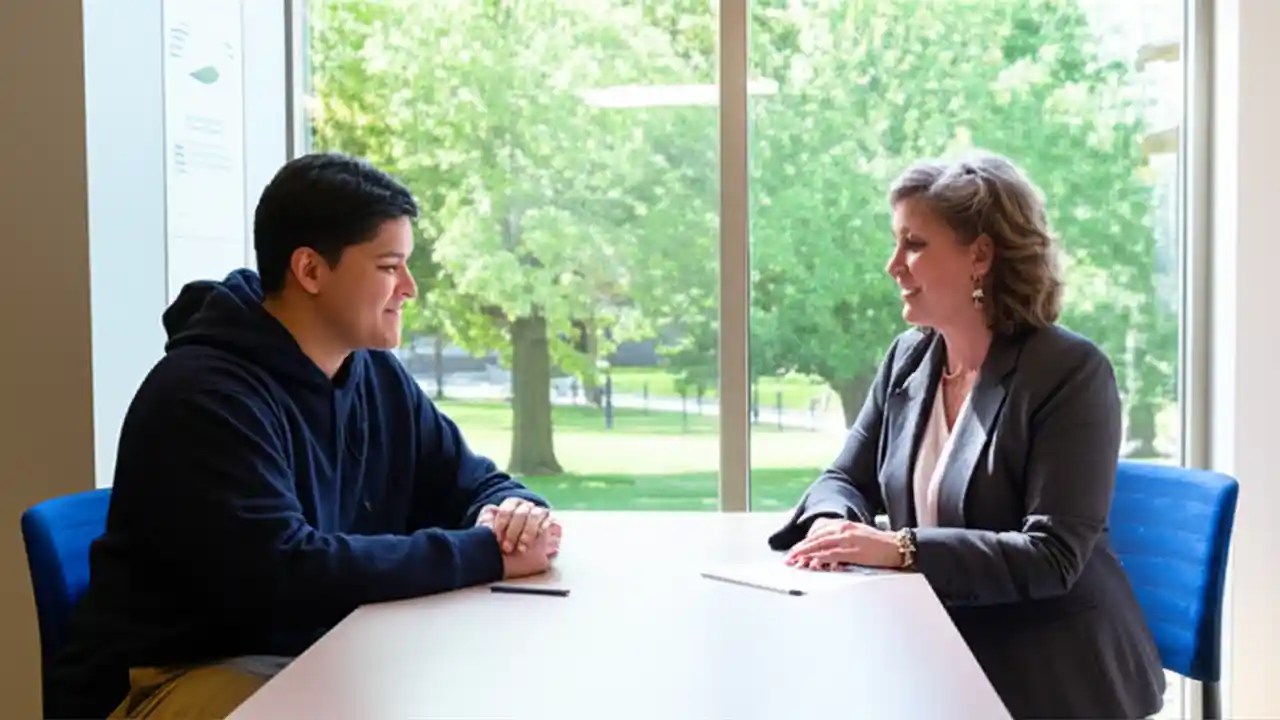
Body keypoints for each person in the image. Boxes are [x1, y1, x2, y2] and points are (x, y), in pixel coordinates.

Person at [48, 153, 562, 719]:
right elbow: (289, 575)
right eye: (389, 267)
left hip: (300, 651)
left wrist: (514, 513)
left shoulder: (371, 372)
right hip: (173, 677)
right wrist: (486, 553)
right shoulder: (204, 397)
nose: (409, 289)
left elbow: (472, 482)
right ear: (310, 271)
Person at [769, 152, 1165, 719]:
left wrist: (900, 547)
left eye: (914, 244)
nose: (893, 266)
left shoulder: (1070, 372)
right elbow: (842, 478)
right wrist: (838, 525)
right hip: (936, 646)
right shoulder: (910, 358)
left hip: (1050, 675)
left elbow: (1051, 556)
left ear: (980, 254)